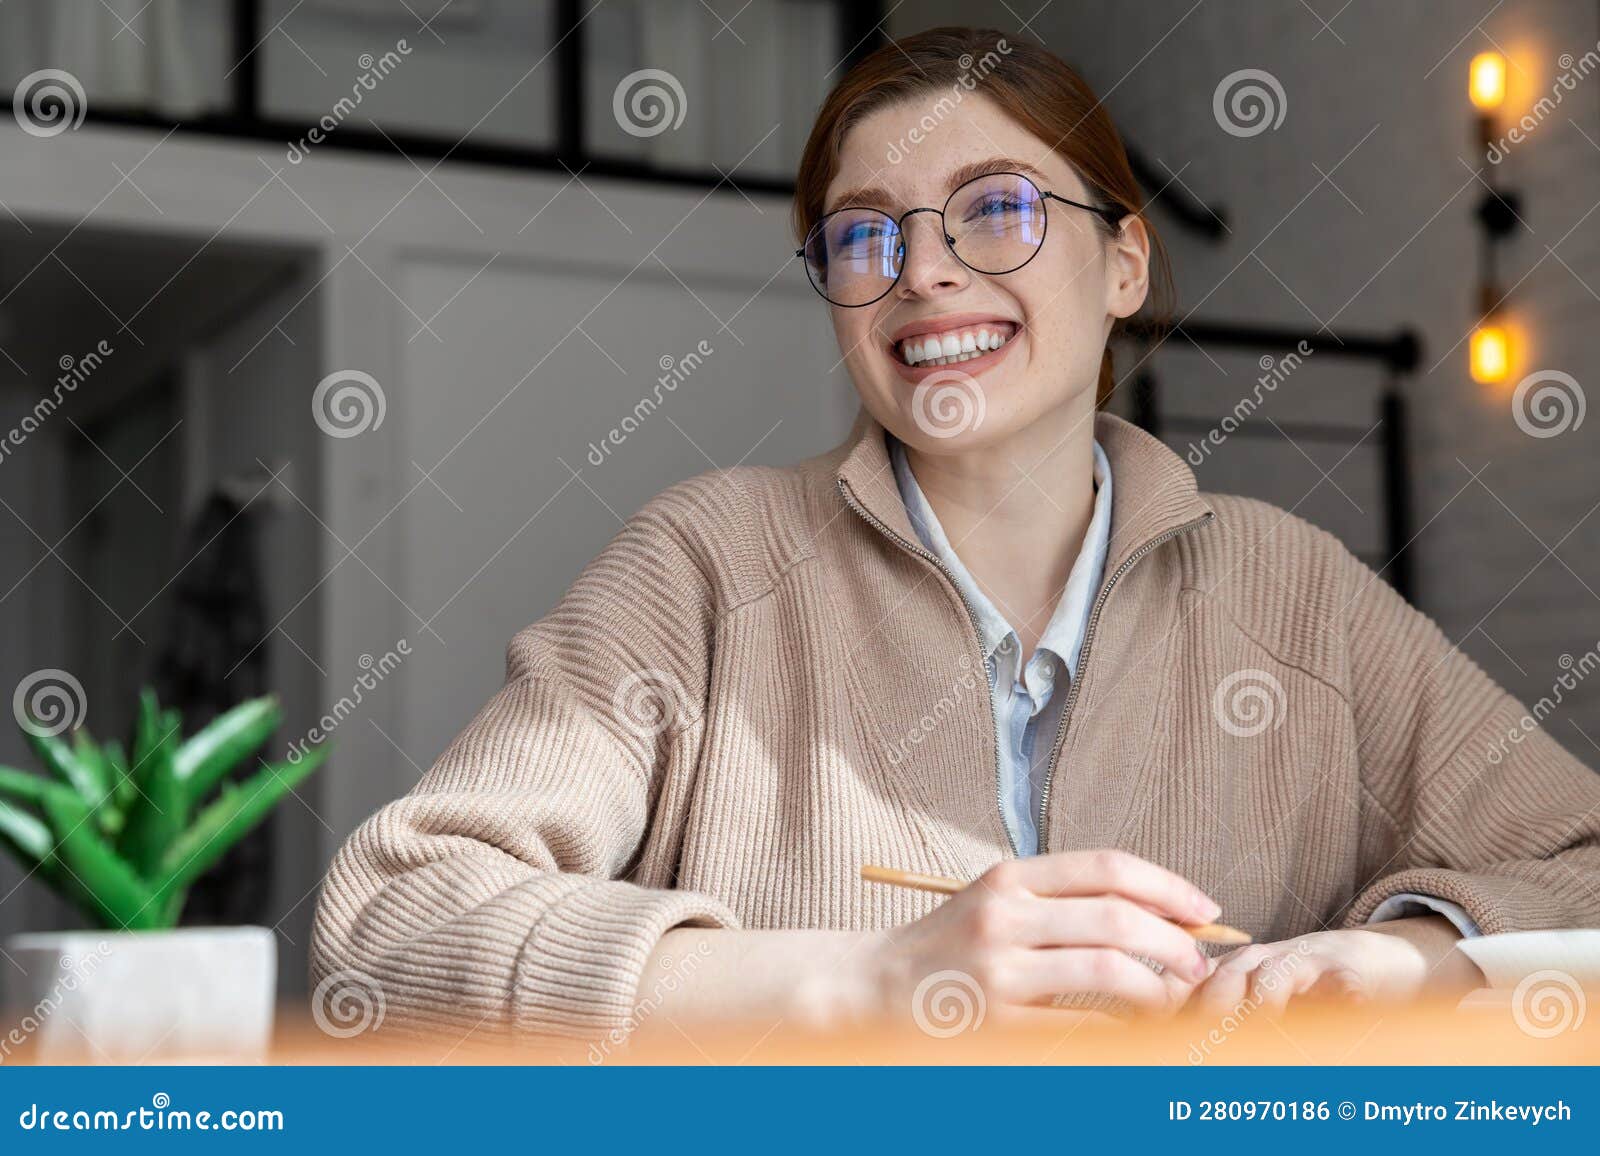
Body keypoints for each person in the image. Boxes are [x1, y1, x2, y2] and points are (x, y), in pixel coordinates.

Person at [311, 27, 1600, 1039]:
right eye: (864, 234)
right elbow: (389, 930)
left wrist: (1414, 953)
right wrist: (872, 980)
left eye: (997, 208)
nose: (924, 272)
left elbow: (1580, 863)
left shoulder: (1293, 592)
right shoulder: (705, 567)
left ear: (1126, 266)